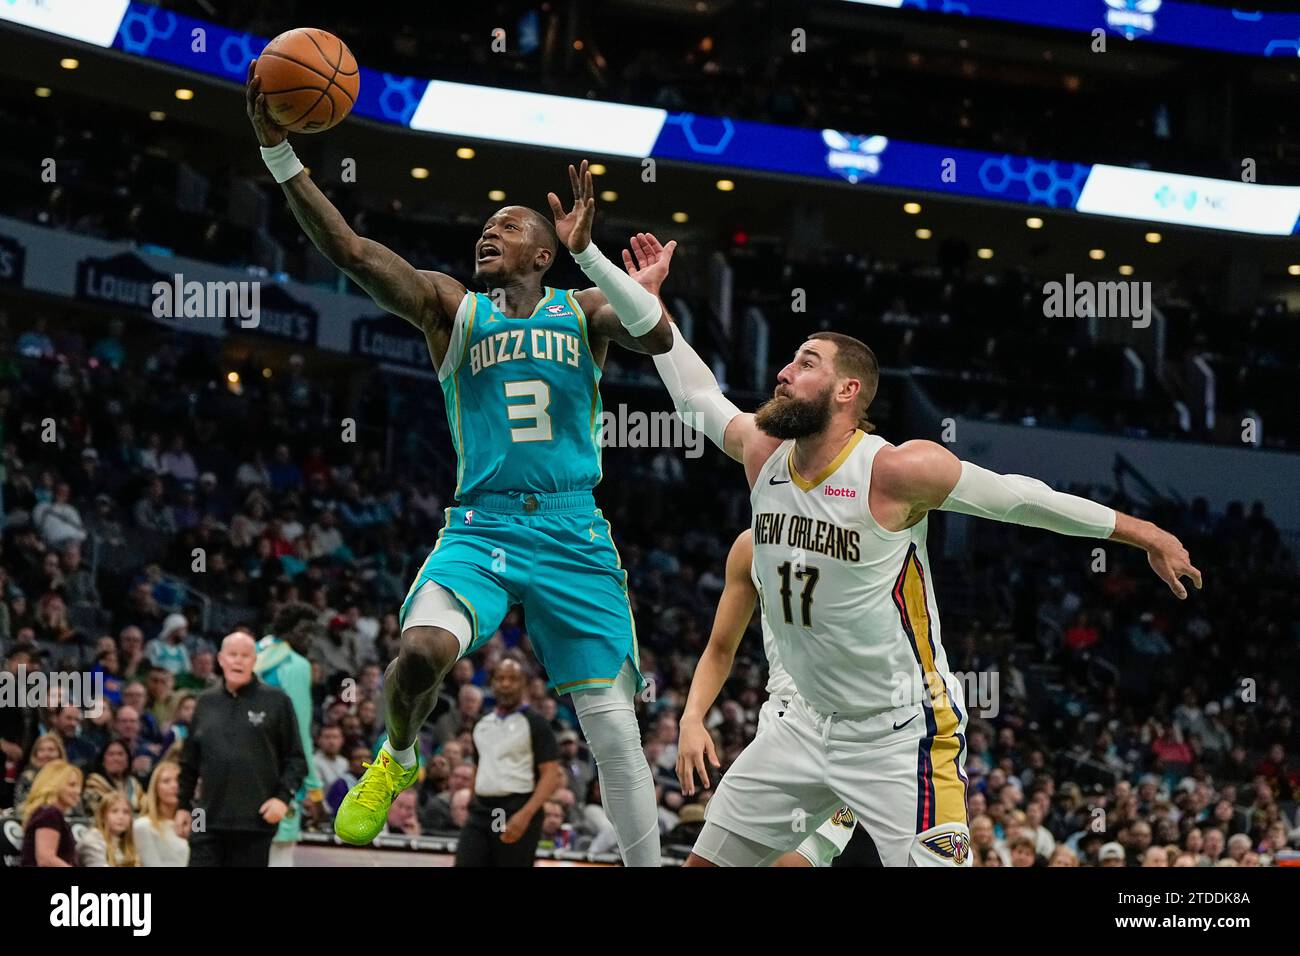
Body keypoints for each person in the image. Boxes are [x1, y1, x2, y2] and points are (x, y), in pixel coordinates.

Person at [635, 233, 1201, 867]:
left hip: (900, 731)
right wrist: (651, 305)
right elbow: (696, 395)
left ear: (847, 391)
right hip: (800, 724)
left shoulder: (898, 472)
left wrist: (1145, 533)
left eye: (804, 362)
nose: (783, 372)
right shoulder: (764, 452)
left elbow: (1020, 499)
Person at [246, 67, 676, 867]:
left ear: (547, 251)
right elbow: (349, 249)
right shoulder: (452, 306)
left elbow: (656, 339)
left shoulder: (583, 311)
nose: (489, 233)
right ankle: (400, 752)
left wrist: (612, 271)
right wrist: (278, 152)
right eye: (485, 225)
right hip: (481, 525)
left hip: (575, 530)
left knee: (616, 731)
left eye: (508, 227)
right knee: (418, 655)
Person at [677, 529, 855, 867]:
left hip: (850, 728)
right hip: (783, 723)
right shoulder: (751, 546)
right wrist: (692, 717)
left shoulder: (861, 525)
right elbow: (719, 649)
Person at [177, 631, 308, 867]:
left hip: (254, 822)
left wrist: (282, 798)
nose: (238, 660)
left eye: (245, 655)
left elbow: (297, 760)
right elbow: (189, 762)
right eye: (232, 654)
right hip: (203, 818)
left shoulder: (277, 701)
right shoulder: (205, 701)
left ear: (255, 660)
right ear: (221, 659)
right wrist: (182, 807)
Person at [454, 659, 564, 867]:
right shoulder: (481, 723)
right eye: (500, 678)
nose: (506, 684)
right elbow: (480, 766)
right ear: (492, 683)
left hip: (516, 808)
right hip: (480, 812)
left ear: (524, 684)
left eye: (512, 679)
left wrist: (526, 815)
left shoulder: (536, 723)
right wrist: (471, 801)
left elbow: (550, 775)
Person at [254, 603, 326, 866]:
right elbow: (299, 736)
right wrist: (315, 792)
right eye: (305, 631)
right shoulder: (295, 665)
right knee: (279, 856)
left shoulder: (252, 652)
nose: (309, 639)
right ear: (288, 630)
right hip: (277, 780)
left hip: (237, 779)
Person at [20, 760, 83, 867]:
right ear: (55, 784)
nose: (78, 791)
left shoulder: (48, 812)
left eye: (78, 786)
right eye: (72, 785)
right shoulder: (49, 814)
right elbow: (46, 860)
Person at [134, 760, 190, 867]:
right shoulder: (142, 826)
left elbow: (204, 854)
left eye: (179, 780)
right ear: (155, 788)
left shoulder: (196, 820)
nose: (174, 786)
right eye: (166, 781)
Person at [77, 790, 140, 867]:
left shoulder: (129, 841)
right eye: (114, 811)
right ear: (102, 816)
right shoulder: (93, 840)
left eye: (126, 812)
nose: (121, 817)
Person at [83, 738, 142, 817]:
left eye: (120, 754)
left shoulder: (134, 785)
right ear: (103, 761)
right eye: (111, 754)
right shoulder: (93, 785)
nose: (116, 759)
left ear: (128, 760)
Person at [12, 732, 67, 810]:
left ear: (59, 754)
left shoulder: (69, 777)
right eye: (41, 750)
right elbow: (19, 808)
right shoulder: (27, 778)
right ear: (35, 755)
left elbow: (76, 810)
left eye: (51, 750)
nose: (46, 754)